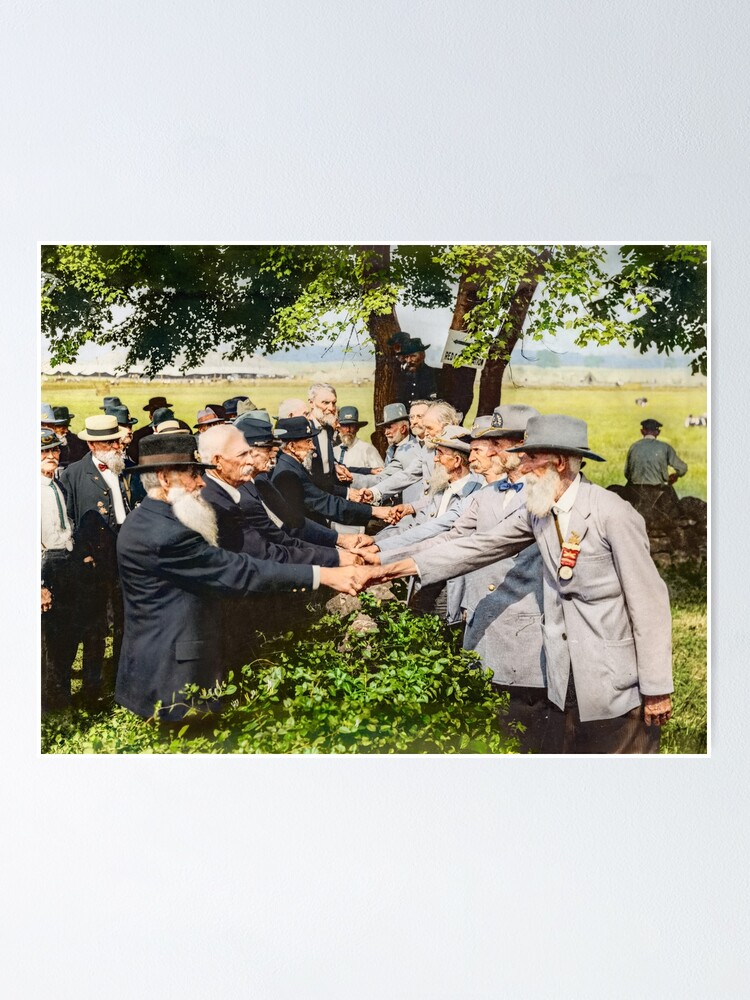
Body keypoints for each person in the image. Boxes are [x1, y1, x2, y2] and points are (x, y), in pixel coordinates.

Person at [361, 414, 674, 754]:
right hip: (562, 681)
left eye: (530, 458)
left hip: (616, 685)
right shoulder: (539, 512)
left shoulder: (611, 512)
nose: (521, 467)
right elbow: (479, 546)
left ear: (559, 461)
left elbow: (649, 602)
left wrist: (657, 688)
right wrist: (387, 568)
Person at [115, 432, 362, 722]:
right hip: (175, 676)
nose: (202, 483)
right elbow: (239, 571)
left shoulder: (147, 518)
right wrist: (323, 575)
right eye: (194, 475)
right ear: (165, 478)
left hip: (158, 663)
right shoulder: (167, 534)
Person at [365, 405, 554, 752]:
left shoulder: (544, 497)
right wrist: (382, 558)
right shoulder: (485, 496)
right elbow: (450, 538)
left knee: (529, 736)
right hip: (485, 628)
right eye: (492, 443)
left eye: (502, 443)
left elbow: (481, 547)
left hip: (526, 637)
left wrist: (386, 566)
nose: (495, 450)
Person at [59, 414, 131, 705]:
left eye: (116, 440)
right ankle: (92, 688)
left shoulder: (129, 470)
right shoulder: (73, 475)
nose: (115, 446)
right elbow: (69, 521)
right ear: (91, 444)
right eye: (106, 442)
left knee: (126, 622)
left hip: (127, 559)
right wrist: (82, 557)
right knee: (94, 627)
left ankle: (122, 683)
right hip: (93, 563)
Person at [270, 416, 395, 528]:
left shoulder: (291, 466)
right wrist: (373, 511)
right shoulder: (287, 475)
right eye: (308, 441)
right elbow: (324, 503)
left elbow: (319, 489)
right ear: (292, 446)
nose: (313, 447)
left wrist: (350, 494)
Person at [40, 428, 85, 711]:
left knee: (68, 635)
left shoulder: (56, 484)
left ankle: (62, 697)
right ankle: (49, 707)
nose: (51, 456)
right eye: (43, 452)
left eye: (55, 450)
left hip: (66, 565)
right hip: (47, 566)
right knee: (48, 642)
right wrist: (39, 585)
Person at [624, 418, 688, 506]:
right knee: (676, 511)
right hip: (657, 491)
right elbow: (682, 468)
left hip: (635, 491)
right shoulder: (665, 447)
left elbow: (627, 474)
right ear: (658, 432)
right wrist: (676, 475)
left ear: (642, 431)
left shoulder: (633, 447)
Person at [394, 337, 442, 408]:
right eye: (406, 357)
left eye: (413, 356)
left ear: (423, 355)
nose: (409, 360)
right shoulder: (401, 377)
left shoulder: (435, 375)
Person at [334, 406, 384, 471]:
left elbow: (380, 474)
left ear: (357, 428)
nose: (348, 430)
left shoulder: (368, 449)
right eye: (344, 425)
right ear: (339, 428)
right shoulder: (335, 451)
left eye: (351, 425)